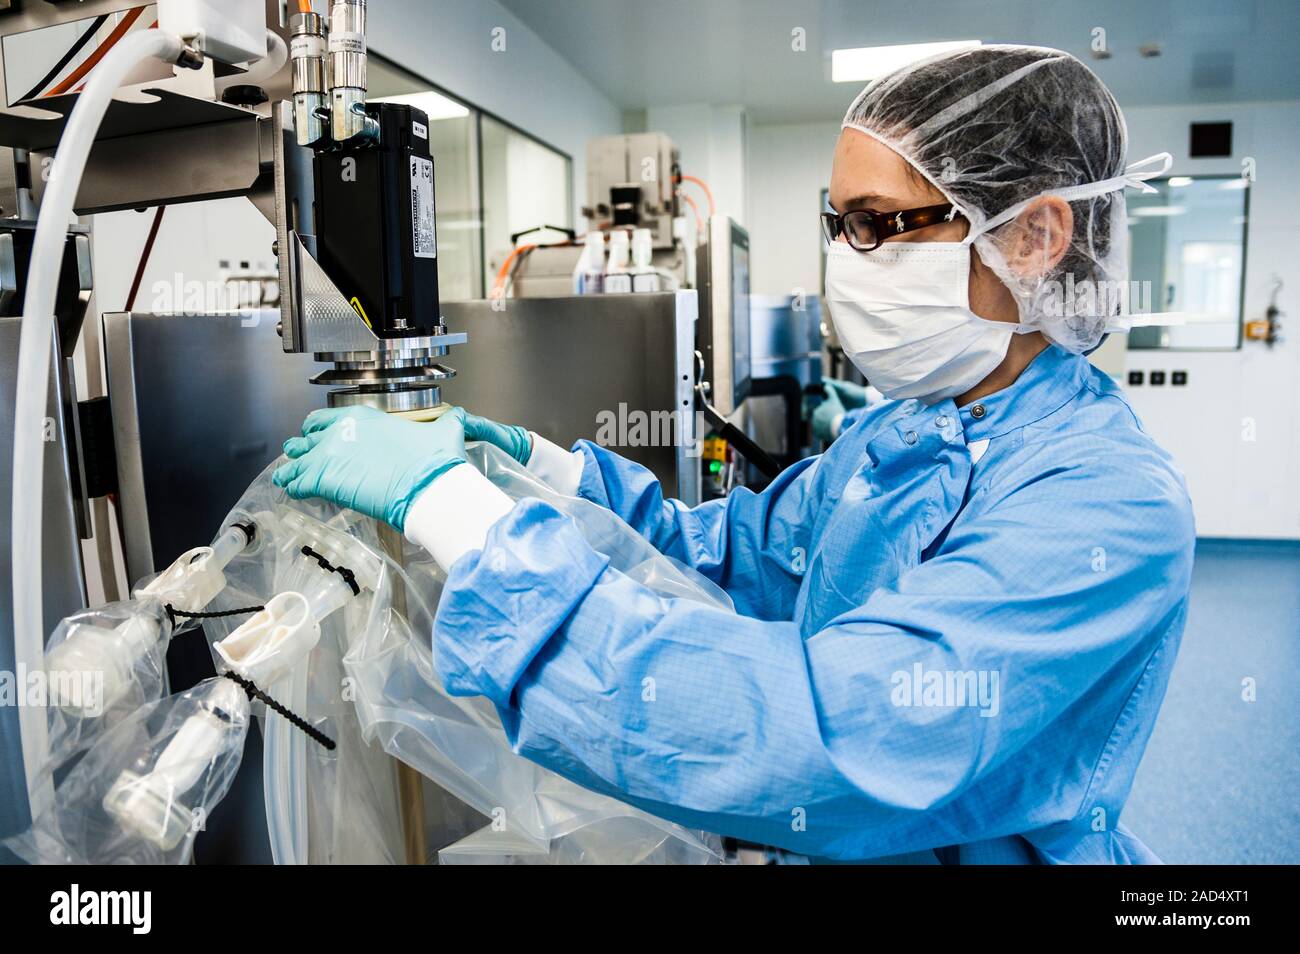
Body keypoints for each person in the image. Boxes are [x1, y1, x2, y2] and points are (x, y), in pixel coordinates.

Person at [273, 45, 1195, 863]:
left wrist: (458, 520)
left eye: (878, 223)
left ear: (1034, 236)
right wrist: (535, 475)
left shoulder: (1106, 505)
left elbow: (836, 743)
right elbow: (735, 559)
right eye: (839, 225)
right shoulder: (906, 427)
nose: (848, 259)